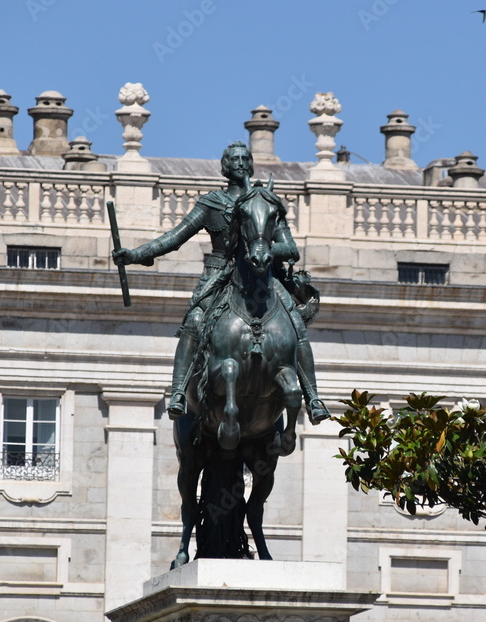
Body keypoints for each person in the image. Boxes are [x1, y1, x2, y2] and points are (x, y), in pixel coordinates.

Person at [112, 141, 330, 424]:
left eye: (245, 158)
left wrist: (263, 249)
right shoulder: (212, 202)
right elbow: (175, 237)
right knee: (194, 320)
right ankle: (178, 392)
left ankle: (313, 398)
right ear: (225, 166)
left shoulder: (264, 203)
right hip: (218, 274)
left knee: (296, 324)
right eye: (234, 159)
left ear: (251, 164)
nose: (240, 162)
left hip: (262, 276)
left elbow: (290, 249)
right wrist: (136, 254)